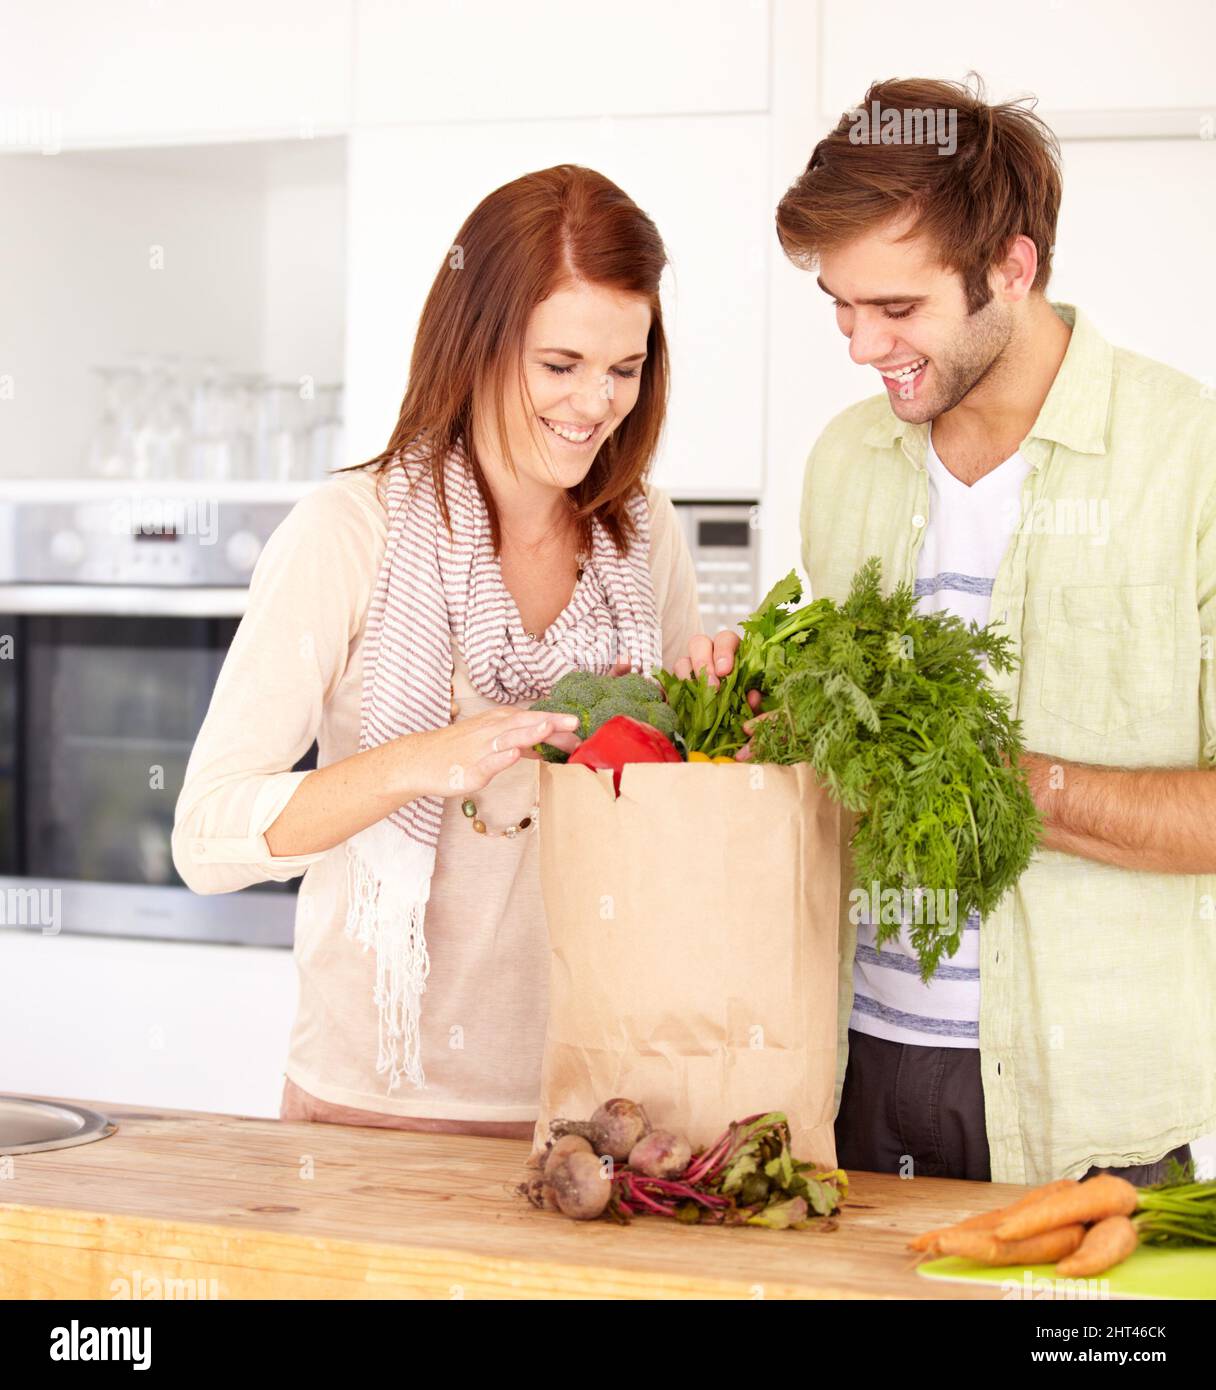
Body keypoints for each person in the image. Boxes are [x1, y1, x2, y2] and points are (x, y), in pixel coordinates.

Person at [689, 77, 1216, 1186]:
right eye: (840, 308)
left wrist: (1000, 789)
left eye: (896, 309)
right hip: (851, 1068)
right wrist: (757, 716)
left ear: (1011, 270)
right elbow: (835, 760)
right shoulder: (847, 460)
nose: (859, 345)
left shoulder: (1187, 461)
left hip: (1088, 1111)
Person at [172, 165, 702, 1138]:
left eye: (623, 369)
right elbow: (204, 835)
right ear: (478, 342)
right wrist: (422, 758)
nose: (595, 403)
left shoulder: (644, 536)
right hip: (376, 1106)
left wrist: (725, 726)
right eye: (560, 364)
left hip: (601, 1107)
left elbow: (671, 818)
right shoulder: (350, 531)